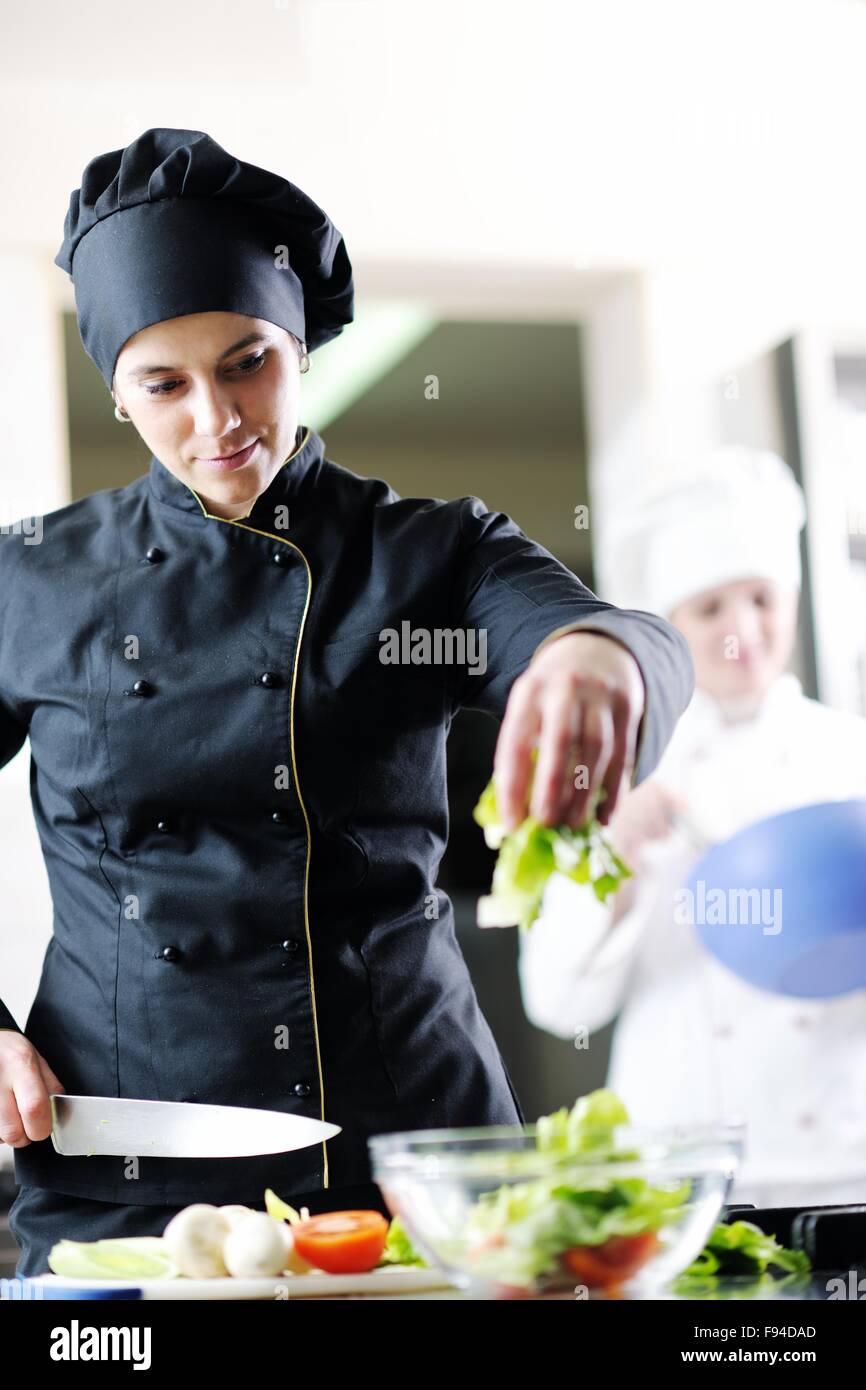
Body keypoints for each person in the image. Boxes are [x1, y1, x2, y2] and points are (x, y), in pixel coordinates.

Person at [0, 127, 694, 1275]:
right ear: (117, 394)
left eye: (246, 362)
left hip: (415, 1162)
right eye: (162, 384)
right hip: (127, 1184)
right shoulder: (34, 578)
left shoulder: (426, 554)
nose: (214, 420)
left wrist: (592, 662)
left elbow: (624, 639)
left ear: (301, 345)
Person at [517, 447, 866, 1208]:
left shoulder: (853, 755)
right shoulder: (612, 767)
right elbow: (557, 1005)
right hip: (679, 1177)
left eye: (763, 599)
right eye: (711, 609)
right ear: (670, 627)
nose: (744, 630)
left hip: (845, 1159)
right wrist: (615, 853)